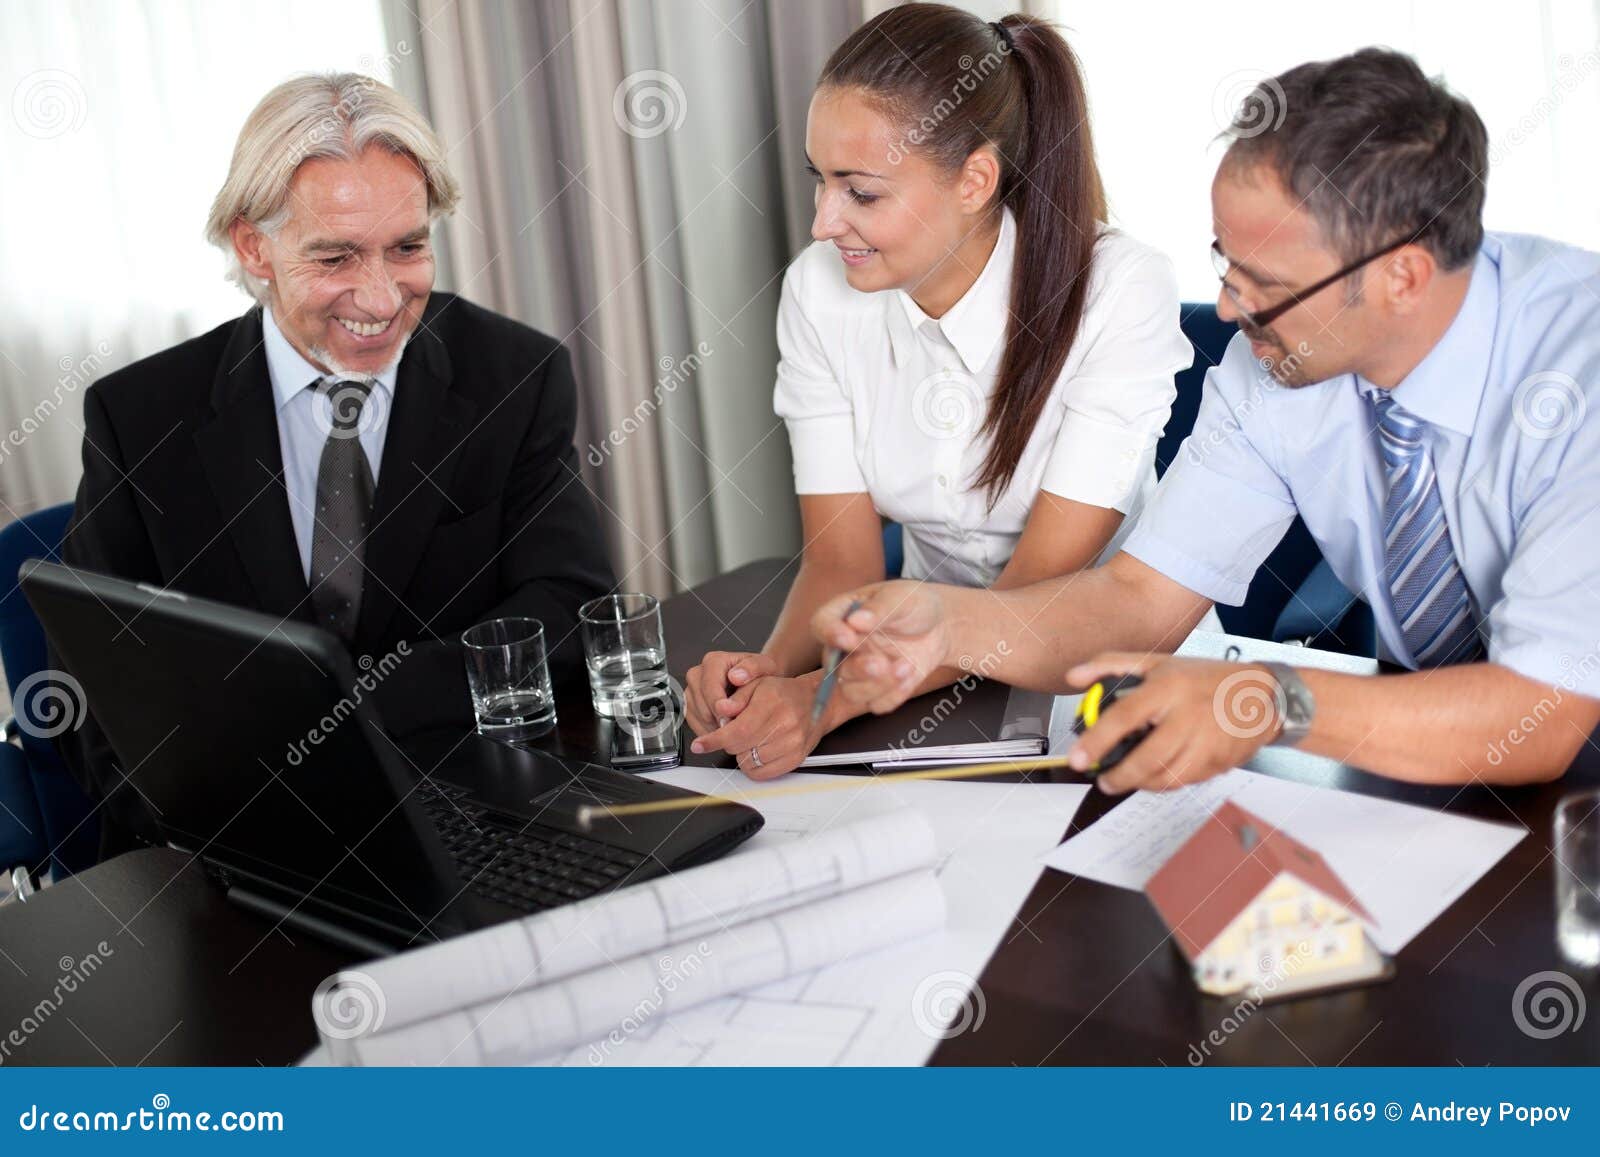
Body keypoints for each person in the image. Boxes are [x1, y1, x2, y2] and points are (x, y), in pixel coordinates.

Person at [810, 47, 1600, 791]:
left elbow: (1546, 714)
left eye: (1264, 281)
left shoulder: (1579, 373)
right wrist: (950, 626)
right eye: (1225, 262)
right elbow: (1140, 598)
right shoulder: (1277, 359)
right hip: (1429, 751)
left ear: (1403, 276)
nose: (1226, 308)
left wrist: (1260, 696)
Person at [57, 74, 614, 856]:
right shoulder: (139, 417)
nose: (383, 298)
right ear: (255, 246)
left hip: (463, 812)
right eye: (337, 256)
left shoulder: (513, 378)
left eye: (408, 248)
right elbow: (91, 679)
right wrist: (211, 825)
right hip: (229, 846)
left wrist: (358, 710)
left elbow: (572, 606)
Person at [685, 4, 1195, 778]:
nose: (824, 222)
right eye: (820, 181)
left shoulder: (1122, 289)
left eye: (861, 192)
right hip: (913, 681)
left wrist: (824, 698)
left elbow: (1039, 590)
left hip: (1098, 675)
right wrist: (761, 683)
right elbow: (840, 565)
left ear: (975, 180)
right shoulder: (818, 294)